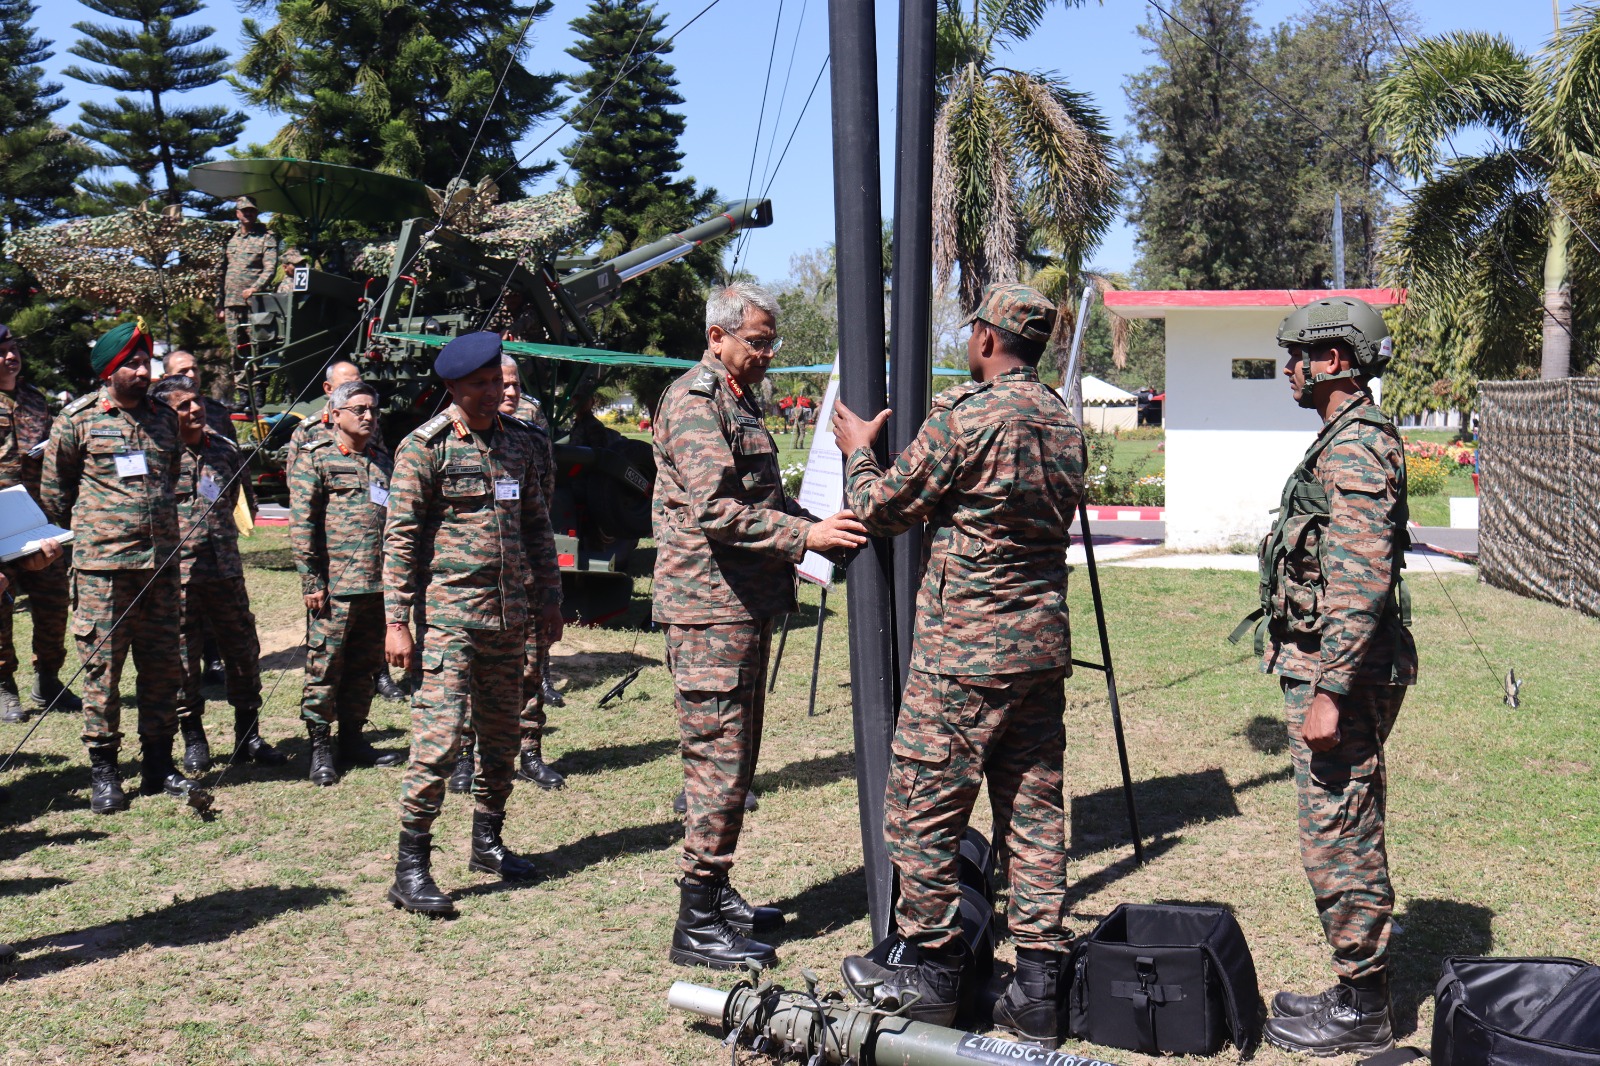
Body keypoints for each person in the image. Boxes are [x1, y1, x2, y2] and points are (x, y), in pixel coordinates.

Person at [831, 283, 1086, 1043]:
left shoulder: (969, 419)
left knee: (923, 811)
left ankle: (933, 973)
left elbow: (882, 509)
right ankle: (1038, 988)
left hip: (966, 655)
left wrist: (857, 455)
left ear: (985, 341)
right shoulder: (1064, 423)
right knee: (1034, 815)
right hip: (1039, 651)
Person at [652, 283, 867, 970]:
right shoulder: (694, 403)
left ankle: (716, 895)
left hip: (739, 606)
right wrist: (808, 538)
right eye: (757, 340)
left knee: (736, 760)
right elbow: (718, 510)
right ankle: (696, 922)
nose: (768, 353)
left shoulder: (740, 401)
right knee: (717, 764)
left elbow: (765, 499)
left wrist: (818, 522)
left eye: (772, 341)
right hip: (708, 611)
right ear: (716, 337)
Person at [1238, 297, 1416, 1056]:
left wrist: (1331, 690)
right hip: (1332, 665)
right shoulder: (1343, 441)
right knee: (1339, 827)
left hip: (1342, 674)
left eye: (1297, 357)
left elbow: (1361, 580)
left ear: (1335, 361)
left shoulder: (1355, 449)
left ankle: (1362, 1007)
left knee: (1338, 834)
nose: (1289, 369)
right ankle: (1355, 989)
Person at [383, 331, 563, 916]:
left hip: (510, 618)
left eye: (497, 383)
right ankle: (411, 868)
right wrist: (396, 622)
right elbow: (402, 540)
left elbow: (538, 526)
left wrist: (551, 600)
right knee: (438, 742)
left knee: (503, 736)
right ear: (453, 387)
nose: (492, 395)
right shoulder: (423, 448)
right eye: (479, 385)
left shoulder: (524, 444)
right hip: (451, 620)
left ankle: (487, 841)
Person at [42, 321, 198, 813]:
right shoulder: (77, 419)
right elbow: (55, 494)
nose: (142, 370)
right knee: (102, 671)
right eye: (131, 362)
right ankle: (105, 771)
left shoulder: (162, 418)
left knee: (161, 668)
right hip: (104, 568)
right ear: (109, 371)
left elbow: (169, 476)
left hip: (160, 567)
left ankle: (158, 762)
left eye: (145, 361)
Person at [150, 374, 286, 773]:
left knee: (243, 653)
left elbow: (236, 498)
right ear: (164, 413)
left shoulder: (224, 450)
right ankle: (194, 738)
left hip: (225, 572)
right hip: (178, 577)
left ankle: (249, 737)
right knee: (183, 660)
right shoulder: (156, 456)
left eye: (196, 401)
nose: (194, 410)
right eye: (183, 405)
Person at [448, 355, 565, 794]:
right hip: (475, 583)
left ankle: (530, 750)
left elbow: (541, 506)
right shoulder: (451, 437)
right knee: (470, 671)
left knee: (531, 666)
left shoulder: (531, 436)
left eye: (513, 384)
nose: (508, 391)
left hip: (527, 575)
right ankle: (465, 755)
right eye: (501, 383)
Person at [289, 379, 402, 785]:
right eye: (359, 409)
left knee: (365, 667)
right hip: (334, 588)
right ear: (335, 414)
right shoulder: (315, 458)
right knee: (325, 667)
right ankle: (320, 748)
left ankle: (352, 739)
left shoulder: (383, 460)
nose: (369, 416)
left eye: (373, 409)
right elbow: (302, 524)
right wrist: (311, 579)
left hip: (378, 585)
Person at [0, 324, 77, 722]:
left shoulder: (34, 399)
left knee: (53, 600)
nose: (10, 357)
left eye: (13, 349)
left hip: (36, 518)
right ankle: (3, 687)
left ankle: (48, 679)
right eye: (2, 351)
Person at [217, 196, 278, 339]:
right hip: (231, 303)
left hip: (254, 303)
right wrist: (218, 305)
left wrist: (255, 288)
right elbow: (221, 273)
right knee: (235, 351)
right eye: (245, 211)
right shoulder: (230, 239)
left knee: (256, 347)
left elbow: (270, 269)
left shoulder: (266, 238)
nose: (248, 214)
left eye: (252, 211)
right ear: (237, 213)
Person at [162, 351, 238, 444]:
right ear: (167, 378)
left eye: (194, 369)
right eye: (183, 371)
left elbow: (233, 452)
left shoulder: (217, 411)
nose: (192, 375)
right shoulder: (159, 413)